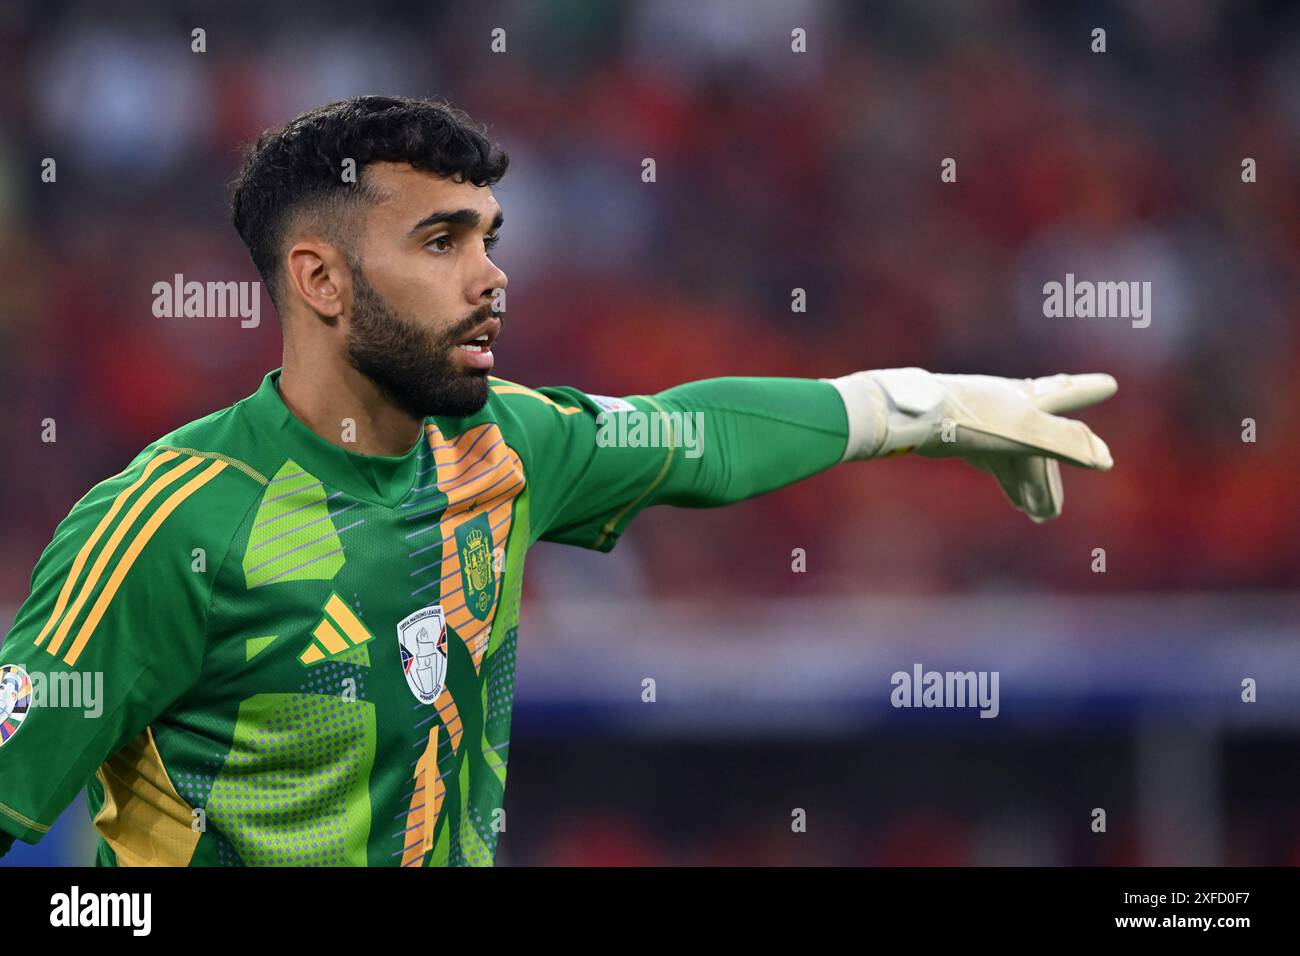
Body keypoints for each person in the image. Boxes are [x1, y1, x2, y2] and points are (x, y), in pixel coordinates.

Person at [0, 96, 1114, 866]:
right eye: (442, 243)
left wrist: (928, 405)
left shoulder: (503, 448)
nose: (492, 278)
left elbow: (698, 437)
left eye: (489, 237)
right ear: (321, 279)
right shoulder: (164, 526)